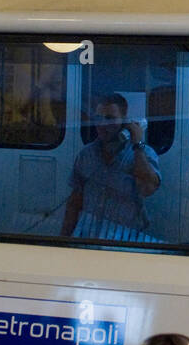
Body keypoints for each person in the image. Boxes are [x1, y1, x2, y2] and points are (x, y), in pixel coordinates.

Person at [62, 93, 161, 241]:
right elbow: (75, 202)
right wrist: (64, 240)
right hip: (88, 236)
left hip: (123, 239)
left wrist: (137, 145)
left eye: (110, 118)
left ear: (124, 122)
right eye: (98, 118)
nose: (102, 124)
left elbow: (148, 188)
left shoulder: (143, 154)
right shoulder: (86, 154)